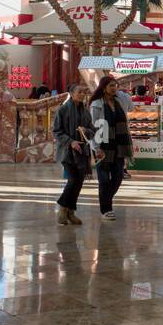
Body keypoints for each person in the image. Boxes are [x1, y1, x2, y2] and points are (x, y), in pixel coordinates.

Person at [89, 76, 134, 218]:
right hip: (103, 145)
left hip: (119, 146)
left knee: (118, 177)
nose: (114, 88)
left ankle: (105, 199)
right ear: (103, 88)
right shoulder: (96, 104)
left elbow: (127, 117)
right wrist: (96, 147)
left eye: (115, 85)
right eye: (111, 86)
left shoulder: (119, 101)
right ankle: (106, 209)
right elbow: (92, 127)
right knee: (104, 179)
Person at [52, 83, 95, 225]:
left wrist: (86, 130)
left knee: (79, 182)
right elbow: (57, 131)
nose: (83, 94)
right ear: (71, 93)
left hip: (82, 152)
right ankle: (63, 209)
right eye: (79, 92)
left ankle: (71, 212)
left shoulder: (85, 111)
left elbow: (92, 130)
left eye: (84, 92)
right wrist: (71, 142)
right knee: (72, 180)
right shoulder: (63, 110)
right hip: (67, 151)